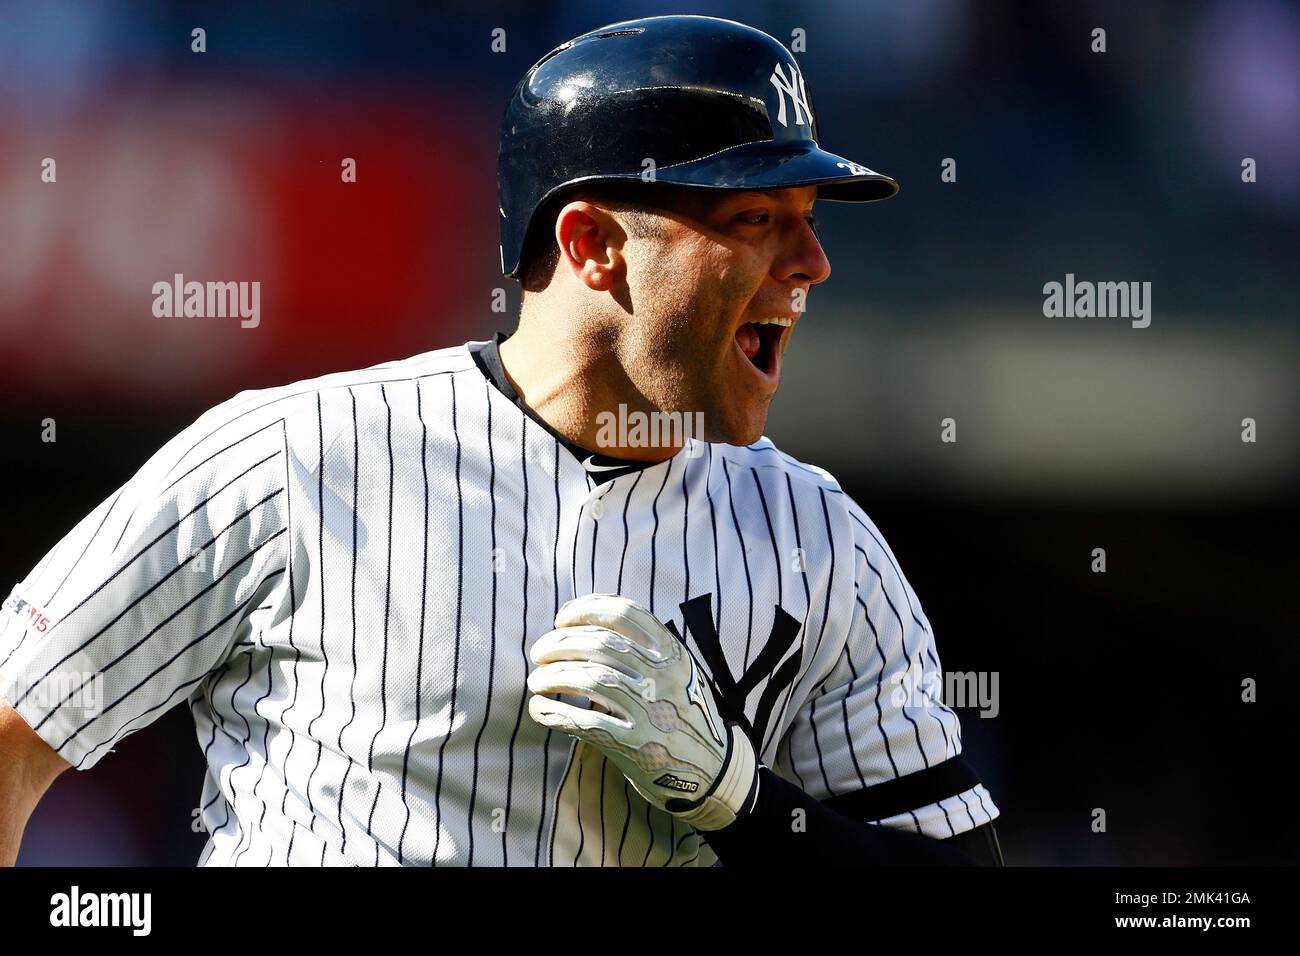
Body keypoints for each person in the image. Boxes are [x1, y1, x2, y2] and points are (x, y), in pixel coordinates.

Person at [0, 14, 1001, 867]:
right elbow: (14, 726)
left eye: (809, 217)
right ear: (592, 246)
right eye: (755, 218)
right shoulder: (292, 456)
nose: (812, 261)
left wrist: (739, 797)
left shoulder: (822, 542)